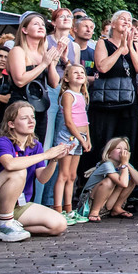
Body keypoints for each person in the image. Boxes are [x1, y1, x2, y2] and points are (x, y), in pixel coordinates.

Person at [0, 101, 69, 242]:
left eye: (33, 117)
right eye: (25, 118)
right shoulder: (2, 142)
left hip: (15, 204)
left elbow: (42, 178)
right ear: (11, 124)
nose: (31, 121)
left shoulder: (36, 145)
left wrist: (54, 160)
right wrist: (45, 155)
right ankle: (5, 224)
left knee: (59, 225)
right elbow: (10, 165)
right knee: (18, 171)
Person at [84, 11, 138, 178]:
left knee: (128, 141)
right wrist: (120, 49)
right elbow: (102, 67)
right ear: (112, 24)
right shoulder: (103, 44)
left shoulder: (134, 45)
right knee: (104, 140)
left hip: (129, 102)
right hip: (107, 103)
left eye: (129, 20)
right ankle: (98, 182)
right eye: (122, 19)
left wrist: (131, 46)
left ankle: (124, 185)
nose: (126, 21)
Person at [52, 64, 92, 224]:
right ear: (66, 78)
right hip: (68, 137)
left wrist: (87, 138)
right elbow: (69, 121)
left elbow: (84, 119)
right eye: (75, 72)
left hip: (80, 136)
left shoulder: (82, 95)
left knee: (72, 175)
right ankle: (58, 209)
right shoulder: (68, 95)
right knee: (63, 174)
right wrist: (81, 139)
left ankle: (69, 209)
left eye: (82, 72)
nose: (80, 74)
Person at [78, 136, 138, 222]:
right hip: (89, 203)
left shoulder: (124, 164)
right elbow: (123, 183)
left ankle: (117, 208)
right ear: (109, 153)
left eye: (125, 149)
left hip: (107, 203)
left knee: (132, 179)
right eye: (118, 148)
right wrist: (124, 164)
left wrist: (126, 164)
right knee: (109, 181)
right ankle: (94, 211)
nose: (122, 151)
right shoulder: (107, 164)